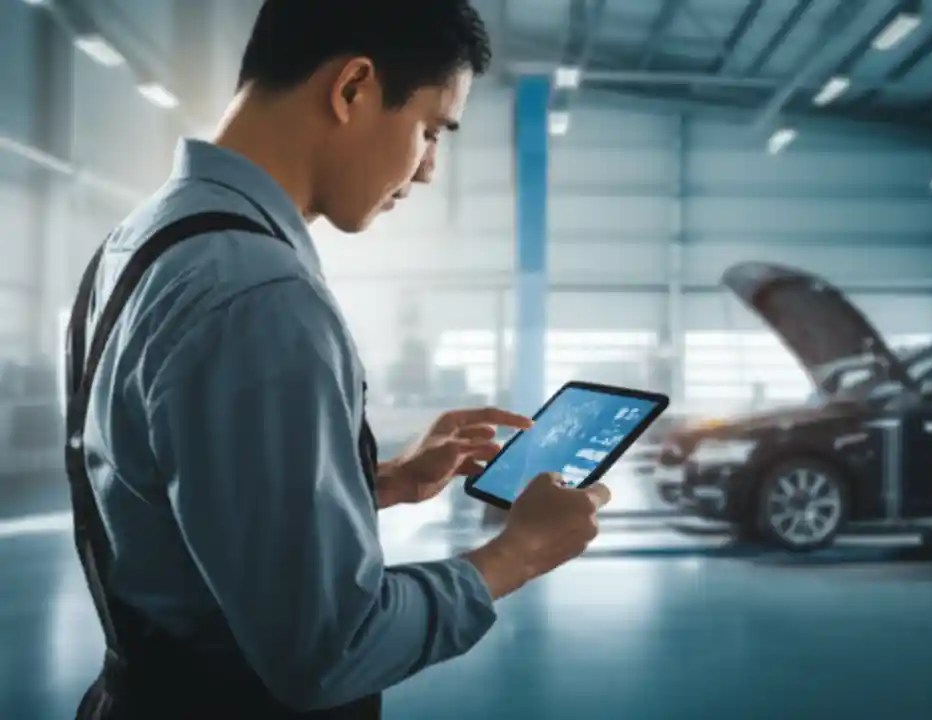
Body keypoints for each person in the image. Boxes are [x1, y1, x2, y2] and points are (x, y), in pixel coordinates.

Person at [65, 1, 610, 718]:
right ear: (353, 88)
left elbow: (168, 492)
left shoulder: (142, 241)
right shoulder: (261, 295)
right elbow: (330, 650)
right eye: (430, 130)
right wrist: (521, 552)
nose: (425, 172)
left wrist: (372, 483)